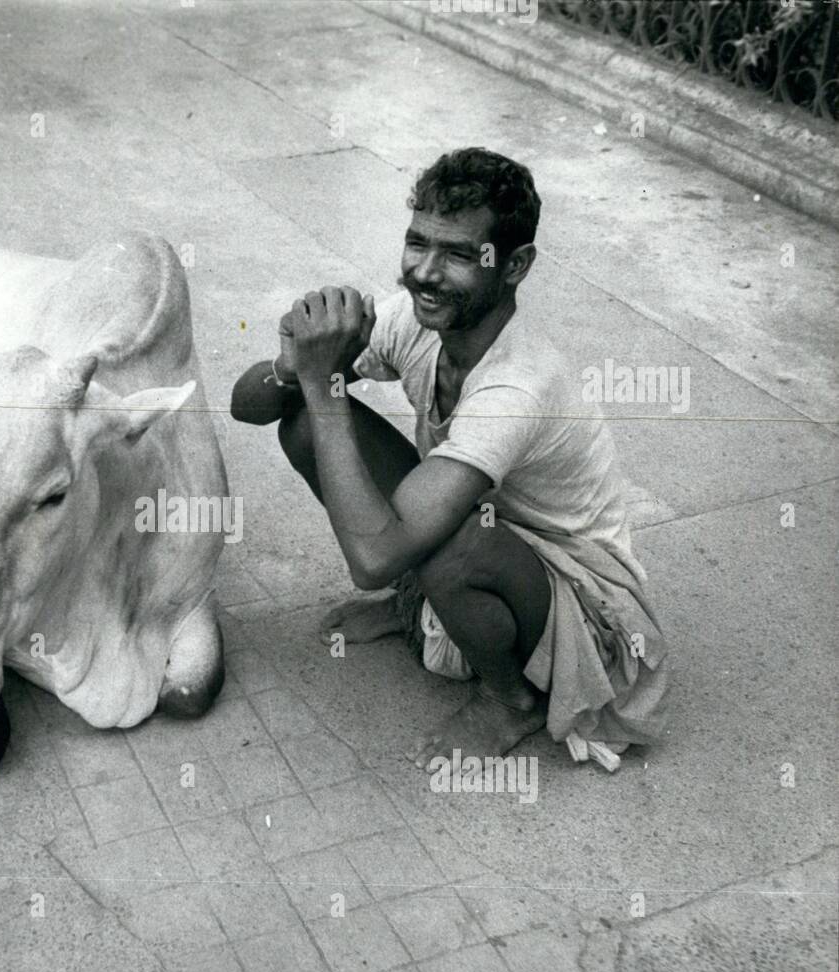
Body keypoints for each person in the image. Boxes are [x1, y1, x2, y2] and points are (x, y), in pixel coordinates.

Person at [230, 148, 669, 768]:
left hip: (584, 599)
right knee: (304, 424)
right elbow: (245, 407)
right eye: (418, 243)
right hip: (487, 530)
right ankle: (420, 606)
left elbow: (373, 559)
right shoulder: (418, 319)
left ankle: (510, 699)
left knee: (456, 540)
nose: (425, 272)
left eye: (459, 254)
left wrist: (326, 384)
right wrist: (296, 361)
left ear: (514, 265)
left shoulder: (517, 386)